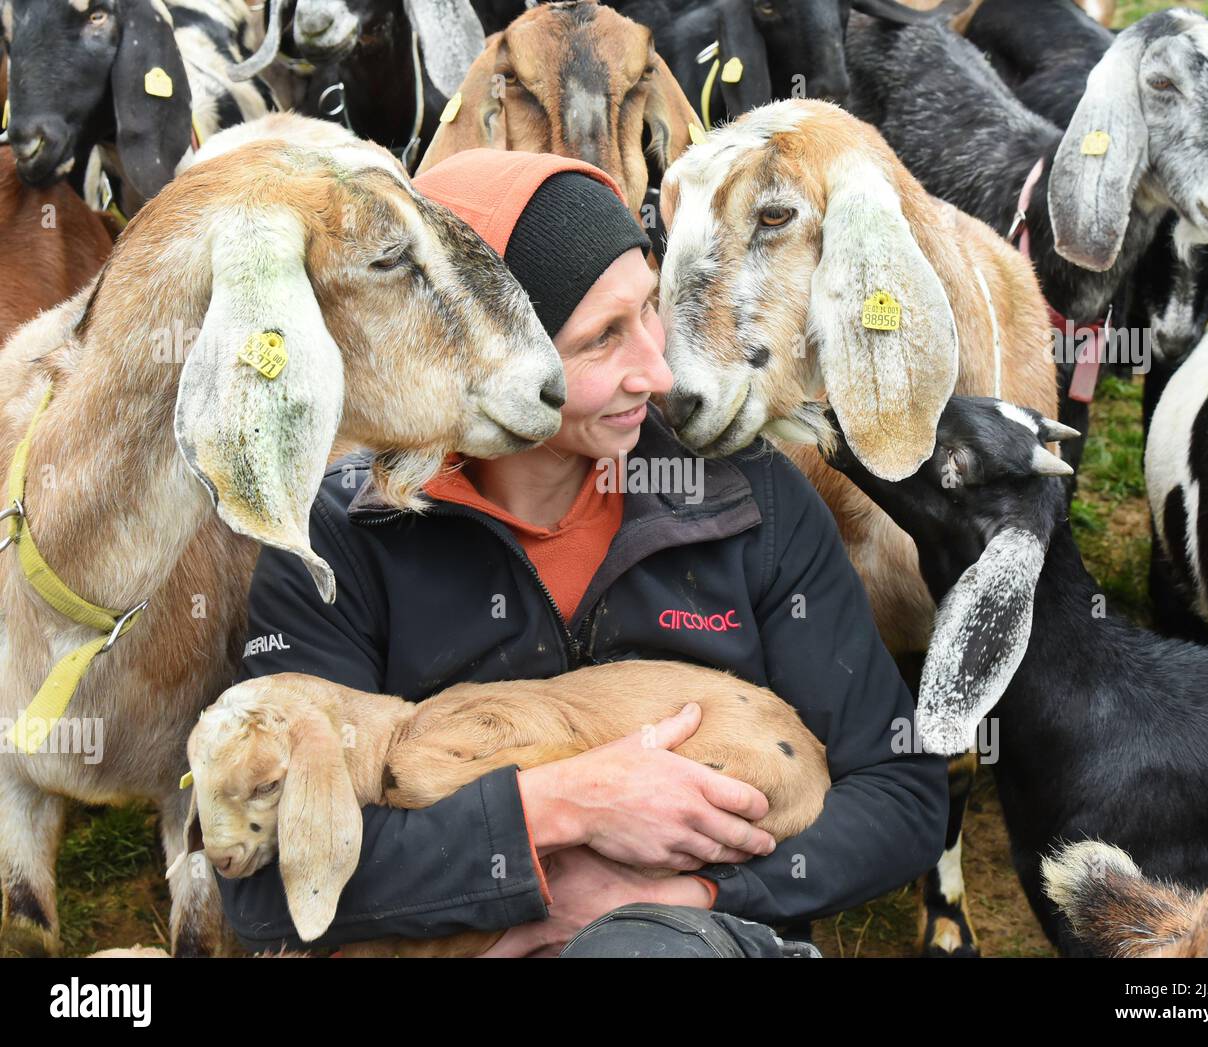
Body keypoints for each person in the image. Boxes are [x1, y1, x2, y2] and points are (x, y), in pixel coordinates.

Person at [214, 148, 948, 958]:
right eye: (603, 338)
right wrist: (557, 807)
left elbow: (901, 793)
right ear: (492, 357)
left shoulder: (752, 500)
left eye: (649, 309)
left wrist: (678, 898)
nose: (658, 368)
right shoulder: (335, 545)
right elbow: (262, 888)